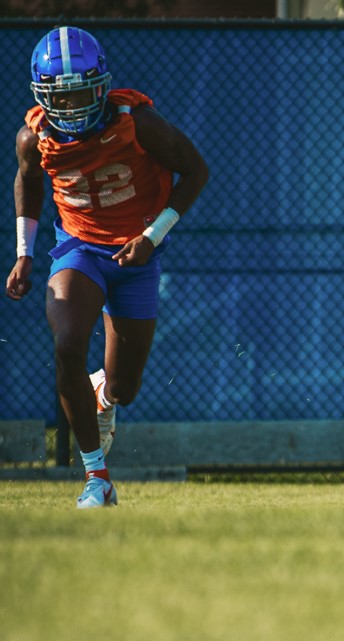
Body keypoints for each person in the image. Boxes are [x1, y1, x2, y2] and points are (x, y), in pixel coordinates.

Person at [5, 27, 209, 509]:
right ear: (43, 95)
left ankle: (102, 393)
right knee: (68, 343)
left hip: (137, 255)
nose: (73, 106)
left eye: (82, 92)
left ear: (101, 86)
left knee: (124, 388)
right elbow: (29, 182)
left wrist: (152, 236)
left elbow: (196, 171)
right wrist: (24, 251)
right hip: (79, 249)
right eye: (63, 95)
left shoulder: (138, 123)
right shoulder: (33, 138)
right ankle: (98, 478)